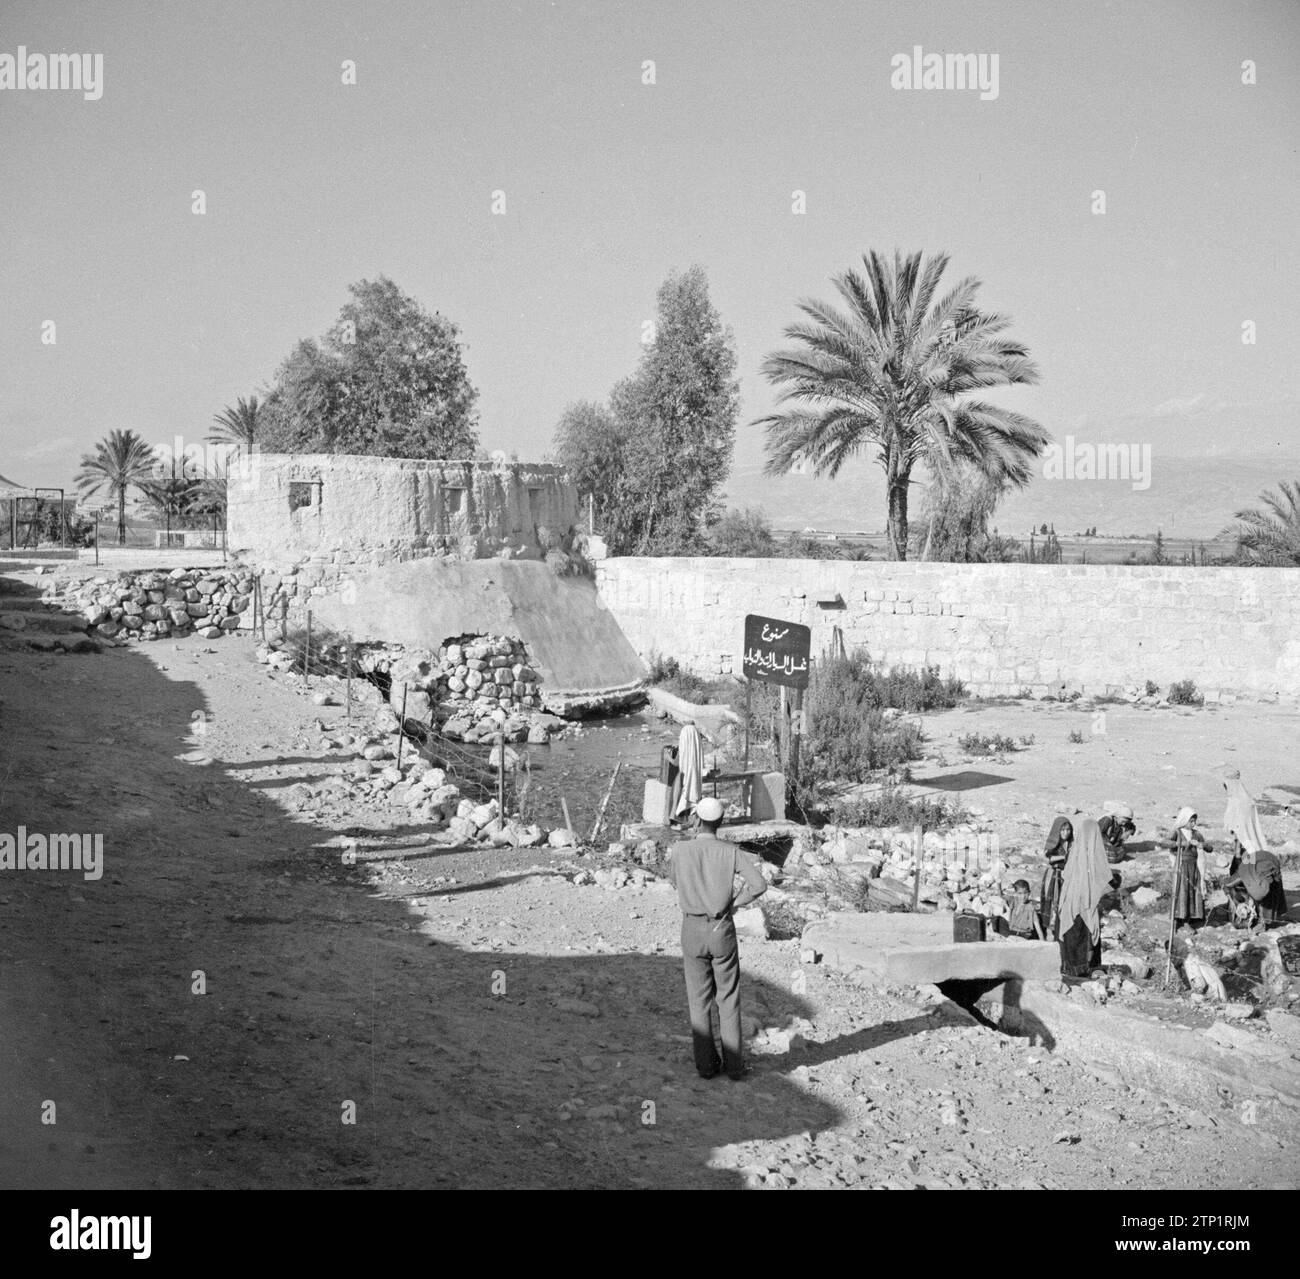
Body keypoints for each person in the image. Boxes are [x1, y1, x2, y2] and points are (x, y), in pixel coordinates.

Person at [667, 796, 767, 1081]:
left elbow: (675, 881)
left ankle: (706, 1066)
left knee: (698, 1002)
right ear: (720, 822)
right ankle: (734, 1067)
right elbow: (759, 884)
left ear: (697, 819)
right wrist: (736, 902)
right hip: (721, 928)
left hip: (692, 929)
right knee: (729, 998)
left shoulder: (680, 850)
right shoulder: (730, 851)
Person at [1057, 817, 1121, 978]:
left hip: (1070, 903)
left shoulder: (1075, 850)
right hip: (1086, 905)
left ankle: (1069, 968)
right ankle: (1088, 969)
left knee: (1072, 935)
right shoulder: (1096, 854)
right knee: (1085, 935)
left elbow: (1066, 875)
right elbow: (1106, 880)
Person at [1170, 806, 1208, 929]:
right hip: (1181, 866)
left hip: (1193, 867)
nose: (1193, 824)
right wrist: (1180, 844)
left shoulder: (1196, 834)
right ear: (1184, 820)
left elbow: (1210, 848)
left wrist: (1200, 844)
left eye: (1194, 821)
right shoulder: (1177, 832)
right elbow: (1164, 843)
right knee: (1180, 891)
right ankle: (1176, 919)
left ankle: (1187, 920)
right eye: (1191, 821)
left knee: (1191, 892)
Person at [1038, 816, 1073, 940]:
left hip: (1066, 876)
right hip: (1053, 875)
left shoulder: (1072, 843)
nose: (1065, 833)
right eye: (1062, 830)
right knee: (1051, 901)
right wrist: (1065, 857)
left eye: (1068, 830)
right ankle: (1049, 931)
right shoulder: (1054, 842)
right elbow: (1048, 858)